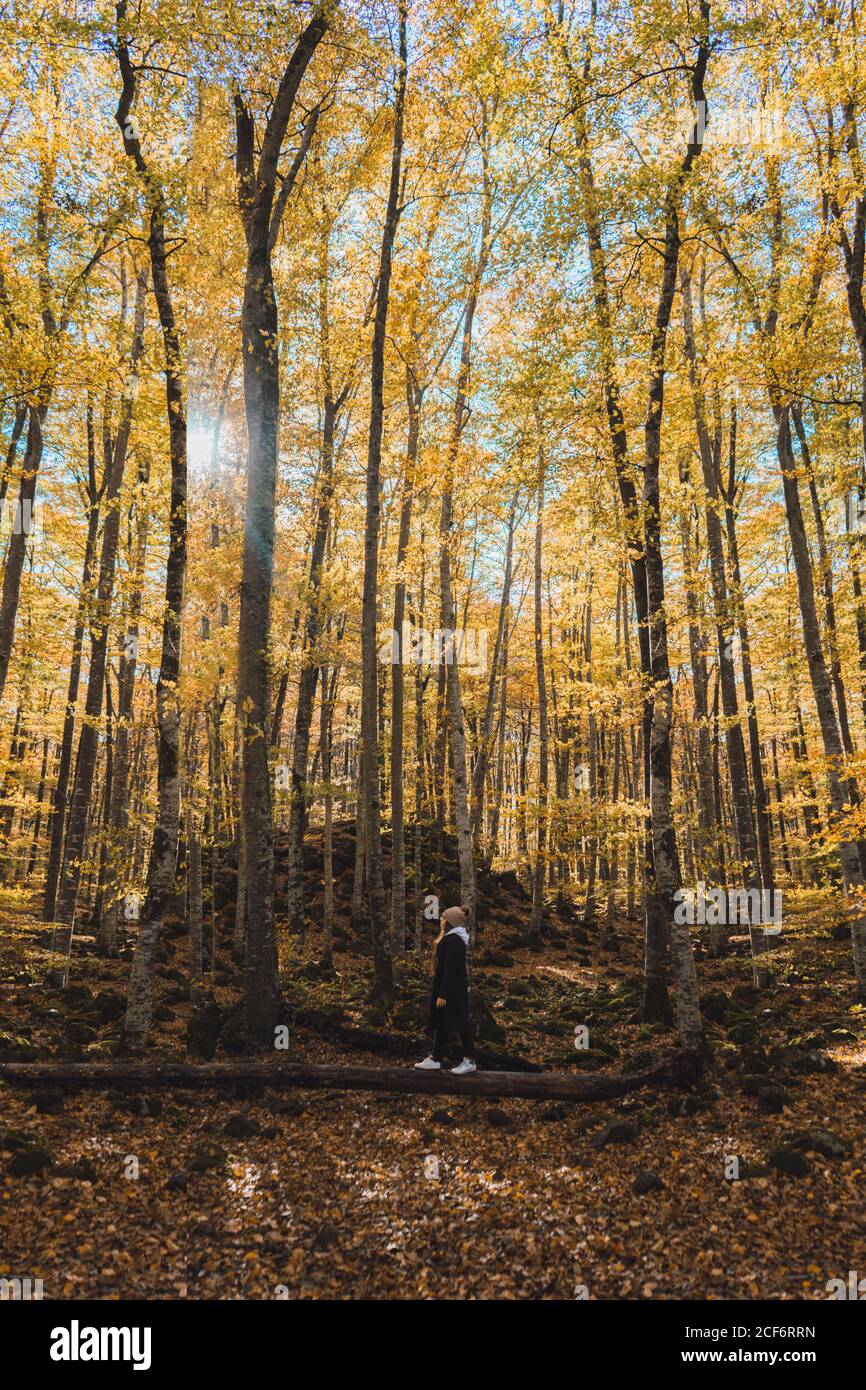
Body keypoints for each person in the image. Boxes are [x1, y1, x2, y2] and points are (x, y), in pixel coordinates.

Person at [414, 905, 476, 1073]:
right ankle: (436, 1058)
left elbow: (451, 970)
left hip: (452, 990)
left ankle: (469, 1060)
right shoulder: (451, 938)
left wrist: (443, 993)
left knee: (461, 1023)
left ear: (450, 922)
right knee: (441, 1021)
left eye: (443, 917)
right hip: (450, 988)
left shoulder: (454, 941)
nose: (441, 919)